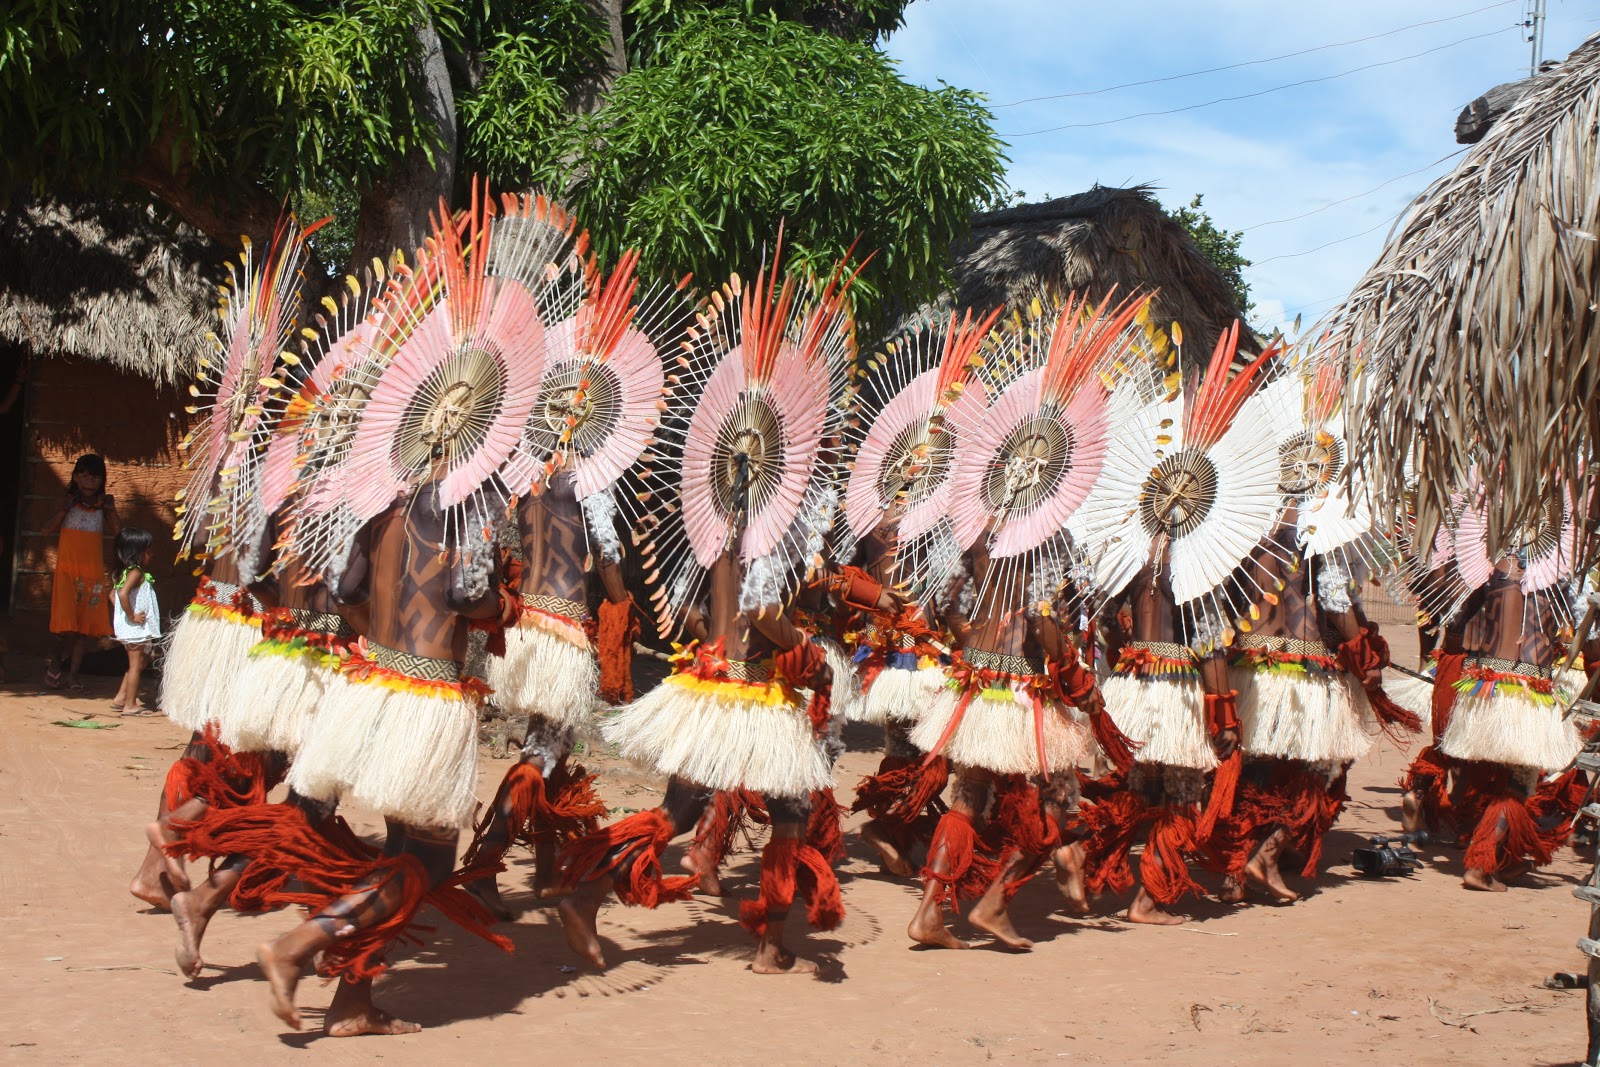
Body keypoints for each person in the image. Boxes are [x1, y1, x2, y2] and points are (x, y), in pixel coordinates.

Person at [44, 453, 119, 689]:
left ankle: (73, 676)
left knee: (83, 629)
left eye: (94, 477)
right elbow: (47, 531)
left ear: (101, 479)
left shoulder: (103, 504)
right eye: (84, 475)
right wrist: (63, 510)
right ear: (76, 477)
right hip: (68, 571)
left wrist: (110, 510)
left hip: (92, 573)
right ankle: (55, 664)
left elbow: (118, 532)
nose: (89, 481)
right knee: (64, 625)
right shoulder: (66, 501)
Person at [110, 526, 160, 714]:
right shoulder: (135, 573)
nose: (152, 555)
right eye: (149, 551)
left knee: (141, 661)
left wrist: (122, 616)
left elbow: (112, 595)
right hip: (135, 627)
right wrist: (131, 615)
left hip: (132, 627)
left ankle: (121, 698)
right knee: (135, 666)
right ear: (137, 553)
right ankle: (130, 705)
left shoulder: (123, 572)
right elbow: (122, 594)